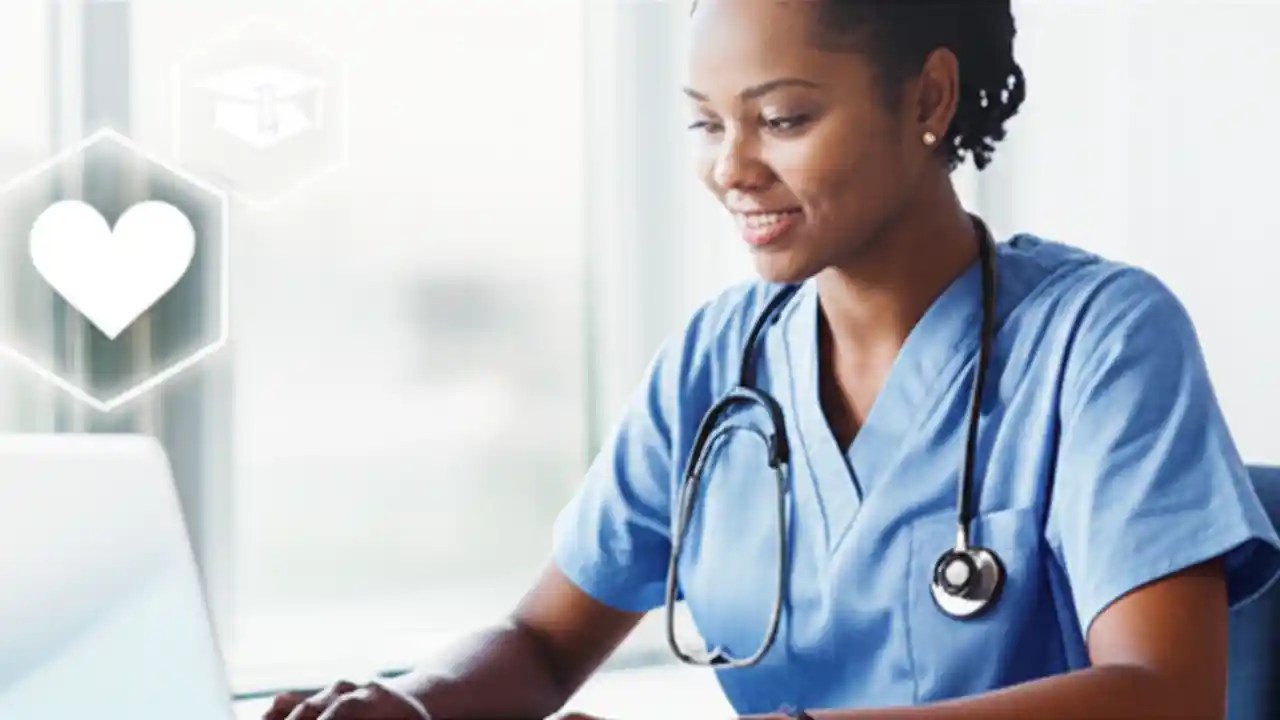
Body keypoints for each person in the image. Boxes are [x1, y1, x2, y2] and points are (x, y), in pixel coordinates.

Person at [265, 1, 1280, 718]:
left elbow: (1162, 696)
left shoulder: (1098, 339)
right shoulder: (719, 359)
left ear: (927, 97)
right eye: (705, 123)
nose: (728, 167)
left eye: (782, 119)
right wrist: (408, 703)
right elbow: (539, 646)